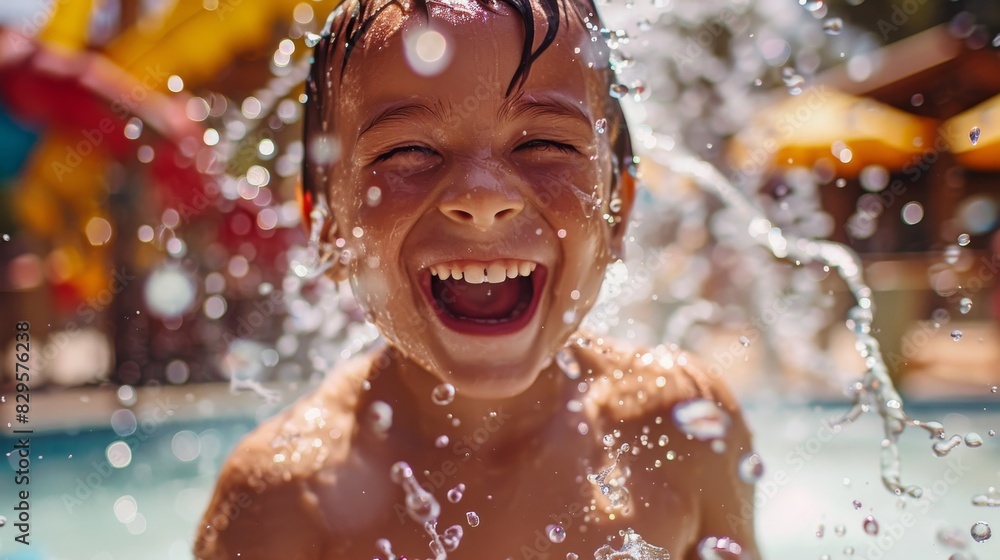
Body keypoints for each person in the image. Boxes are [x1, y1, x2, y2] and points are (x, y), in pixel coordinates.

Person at [195, 0, 759, 557]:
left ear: (618, 210)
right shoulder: (283, 501)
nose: (483, 198)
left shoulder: (680, 432)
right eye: (409, 151)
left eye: (544, 144)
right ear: (326, 224)